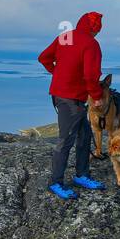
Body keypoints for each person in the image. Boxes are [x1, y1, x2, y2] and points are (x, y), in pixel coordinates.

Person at [37, 12, 107, 199]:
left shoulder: (65, 36)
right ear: (95, 29)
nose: (97, 33)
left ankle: (81, 175)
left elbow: (43, 58)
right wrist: (97, 96)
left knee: (84, 135)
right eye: (98, 29)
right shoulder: (91, 44)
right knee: (66, 141)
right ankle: (55, 182)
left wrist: (57, 73)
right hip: (71, 100)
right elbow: (91, 76)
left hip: (60, 95)